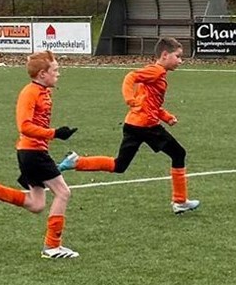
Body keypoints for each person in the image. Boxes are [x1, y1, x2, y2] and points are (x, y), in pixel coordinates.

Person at [57, 37, 200, 214]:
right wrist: (128, 98)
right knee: (179, 153)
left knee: (120, 165)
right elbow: (130, 76)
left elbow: (149, 103)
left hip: (133, 124)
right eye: (178, 56)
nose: (180, 61)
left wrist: (167, 117)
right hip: (147, 126)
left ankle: (76, 162)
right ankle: (180, 201)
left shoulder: (157, 74)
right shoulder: (156, 71)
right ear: (165, 55)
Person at [0, 50, 81, 259]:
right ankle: (52, 247)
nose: (58, 74)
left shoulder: (42, 91)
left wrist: (52, 135)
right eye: (55, 70)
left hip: (33, 152)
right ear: (42, 74)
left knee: (36, 205)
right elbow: (24, 126)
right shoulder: (30, 92)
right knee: (63, 193)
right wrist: (54, 133)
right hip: (32, 152)